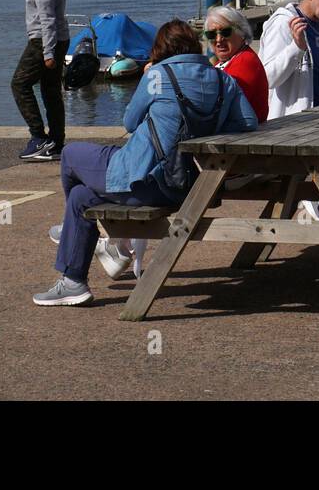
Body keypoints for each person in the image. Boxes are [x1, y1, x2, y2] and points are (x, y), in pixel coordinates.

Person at [34, 20, 258, 307]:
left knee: (70, 155)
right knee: (80, 198)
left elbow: (129, 122)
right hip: (189, 185)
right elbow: (247, 123)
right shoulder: (222, 79)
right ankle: (73, 282)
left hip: (144, 178)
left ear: (160, 50)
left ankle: (69, 230)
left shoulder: (158, 75)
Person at [12, 0, 69, 162]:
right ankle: (55, 142)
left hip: (43, 41)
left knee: (19, 84)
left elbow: (47, 19)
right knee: (50, 90)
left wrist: (48, 53)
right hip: (55, 39)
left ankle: (39, 137)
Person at [204, 5, 269, 122]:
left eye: (225, 32)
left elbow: (225, 108)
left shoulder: (244, 62)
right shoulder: (229, 60)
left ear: (242, 33)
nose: (218, 39)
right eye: (212, 34)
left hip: (243, 137)